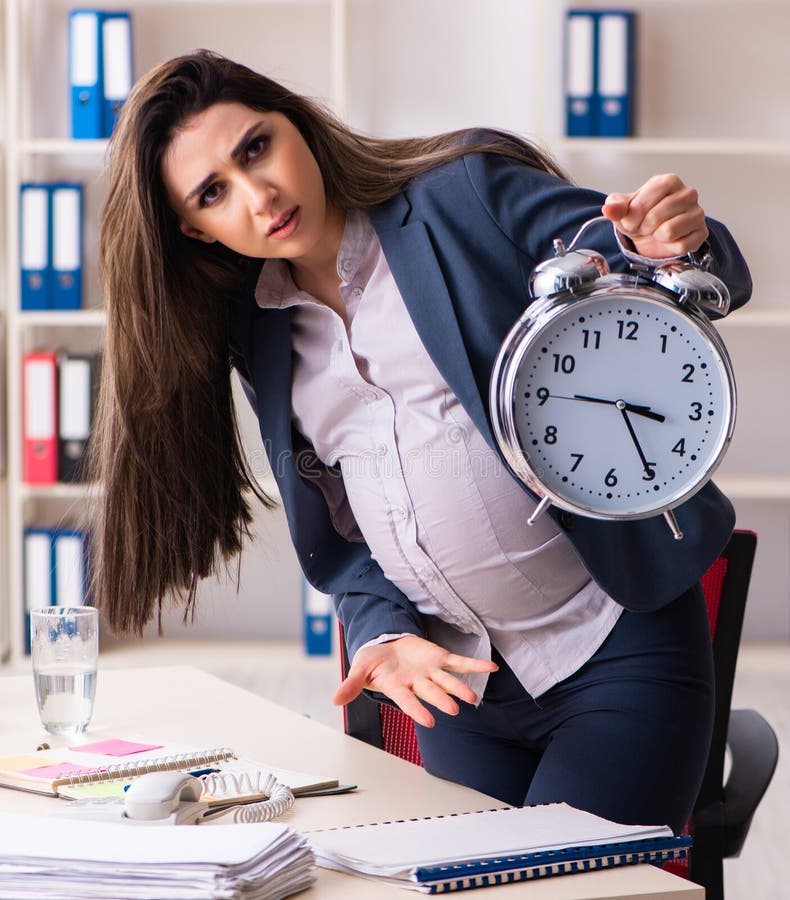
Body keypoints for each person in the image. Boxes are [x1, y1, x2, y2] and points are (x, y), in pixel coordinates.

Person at [92, 49, 752, 833]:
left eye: (256, 147)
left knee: (558, 892)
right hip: (464, 695)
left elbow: (632, 266)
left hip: (613, 651)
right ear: (192, 229)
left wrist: (670, 244)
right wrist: (385, 630)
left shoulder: (463, 194)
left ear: (295, 123)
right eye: (214, 193)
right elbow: (345, 536)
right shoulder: (257, 329)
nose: (257, 194)